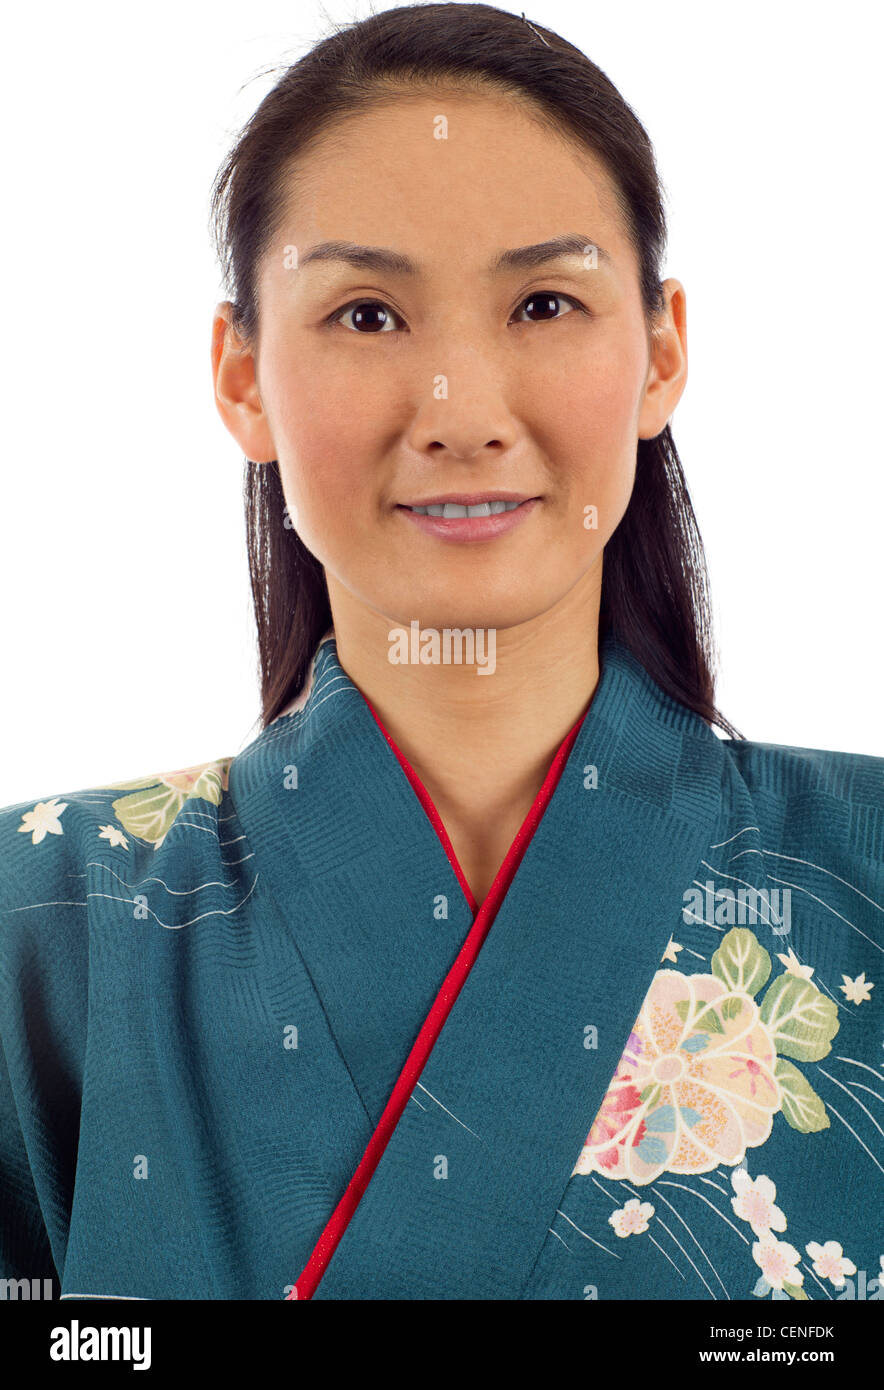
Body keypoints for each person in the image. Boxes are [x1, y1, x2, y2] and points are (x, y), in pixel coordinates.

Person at [2, 3, 882, 1303]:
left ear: (662, 349)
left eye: (543, 301)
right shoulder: (48, 925)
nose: (462, 411)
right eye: (366, 314)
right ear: (242, 374)